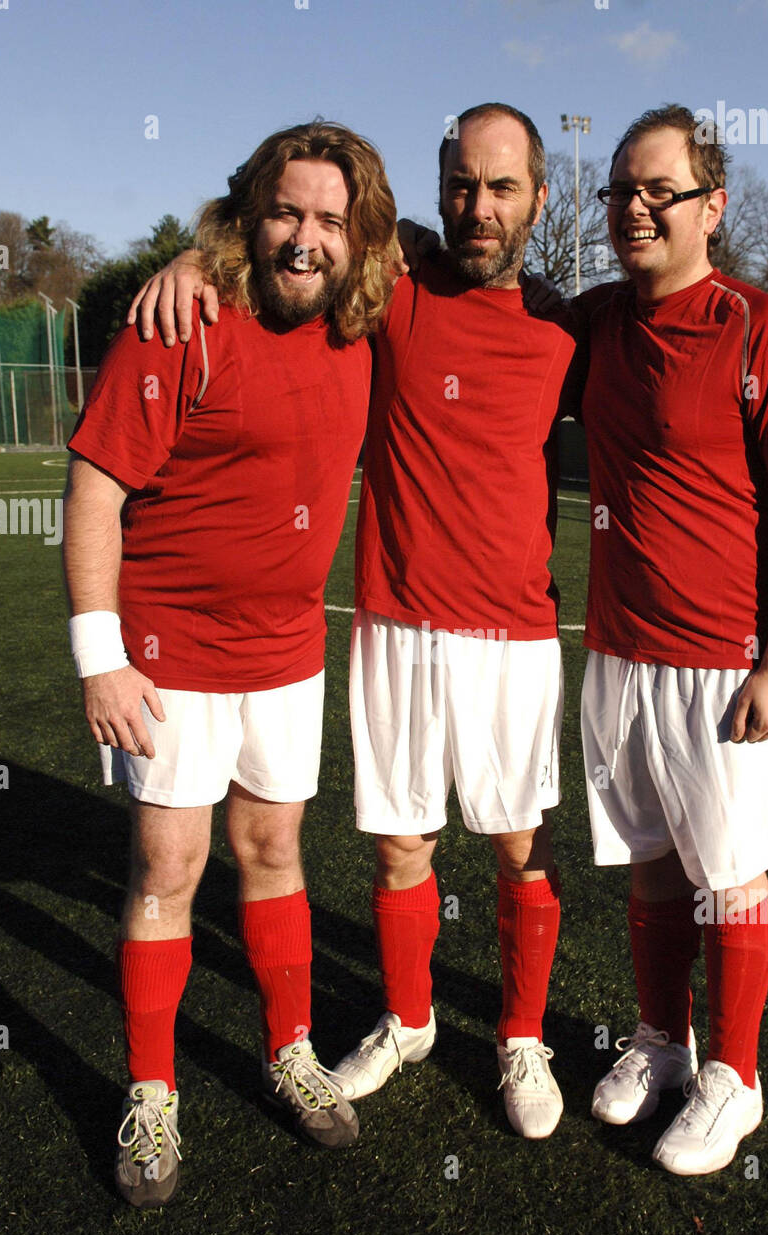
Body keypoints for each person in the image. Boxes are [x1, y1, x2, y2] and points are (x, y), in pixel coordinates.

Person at [130, 104, 578, 1140]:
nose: (478, 206)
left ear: (535, 200)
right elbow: (285, 234)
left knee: (519, 847)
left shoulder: (571, 324)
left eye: (501, 187)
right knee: (397, 850)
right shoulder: (387, 290)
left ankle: (520, 1036)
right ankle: (409, 1017)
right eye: (461, 185)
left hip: (512, 630)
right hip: (393, 620)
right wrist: (194, 260)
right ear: (436, 189)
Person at [63, 121, 398, 1206]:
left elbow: (474, 256)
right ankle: (153, 1091)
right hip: (169, 653)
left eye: (330, 221)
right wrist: (99, 658)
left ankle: (289, 1047)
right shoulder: (184, 321)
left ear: (361, 239)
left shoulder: (364, 325)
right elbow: (96, 492)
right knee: (168, 866)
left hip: (288, 652)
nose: (306, 239)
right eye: (286, 213)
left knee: (272, 849)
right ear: (249, 216)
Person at [575, 104, 768, 1174]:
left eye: (657, 191)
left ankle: (736, 1076)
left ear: (709, 207)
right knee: (649, 865)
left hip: (724, 659)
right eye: (620, 192)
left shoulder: (759, 325)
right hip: (617, 652)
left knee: (728, 873)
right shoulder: (592, 323)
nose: (633, 208)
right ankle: (663, 1043)